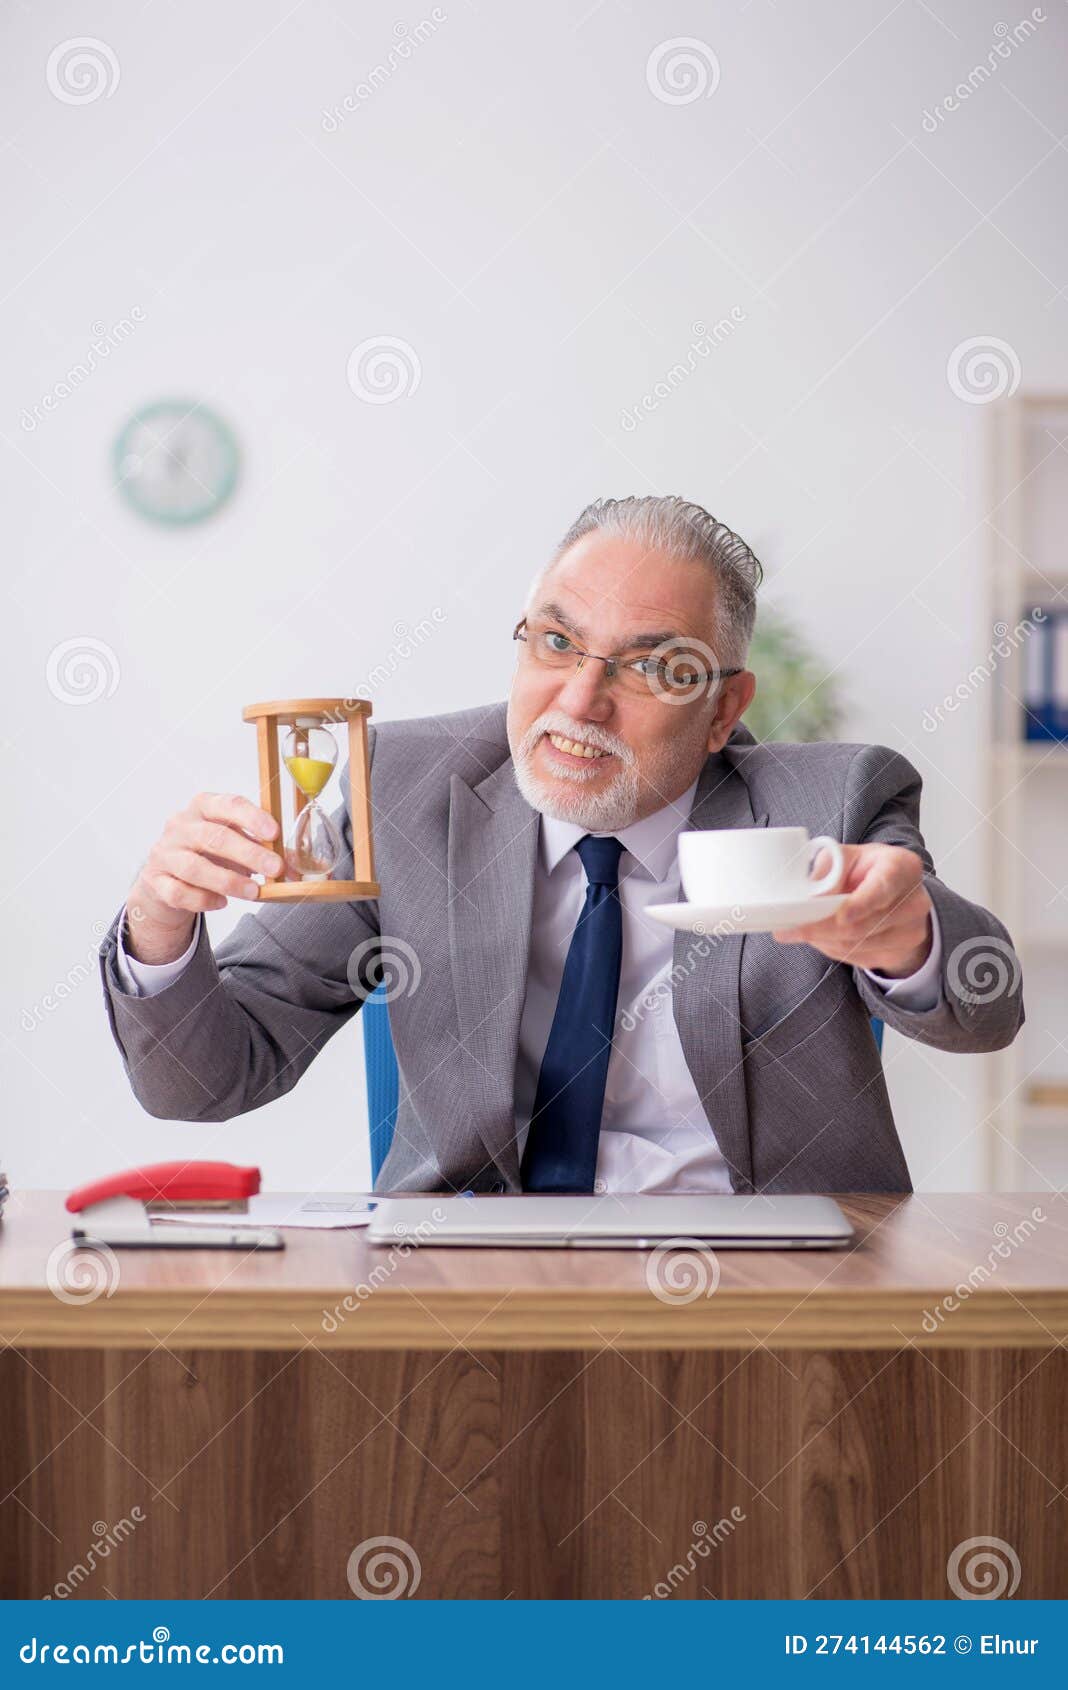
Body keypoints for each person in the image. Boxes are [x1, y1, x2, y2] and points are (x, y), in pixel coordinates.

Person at [99, 495, 1023, 1194]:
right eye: (555, 642)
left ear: (723, 711)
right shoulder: (408, 793)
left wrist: (907, 939)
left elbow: (988, 1011)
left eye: (653, 667)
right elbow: (203, 1081)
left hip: (769, 1280)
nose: (581, 701)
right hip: (477, 1283)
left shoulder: (833, 799)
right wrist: (160, 922)